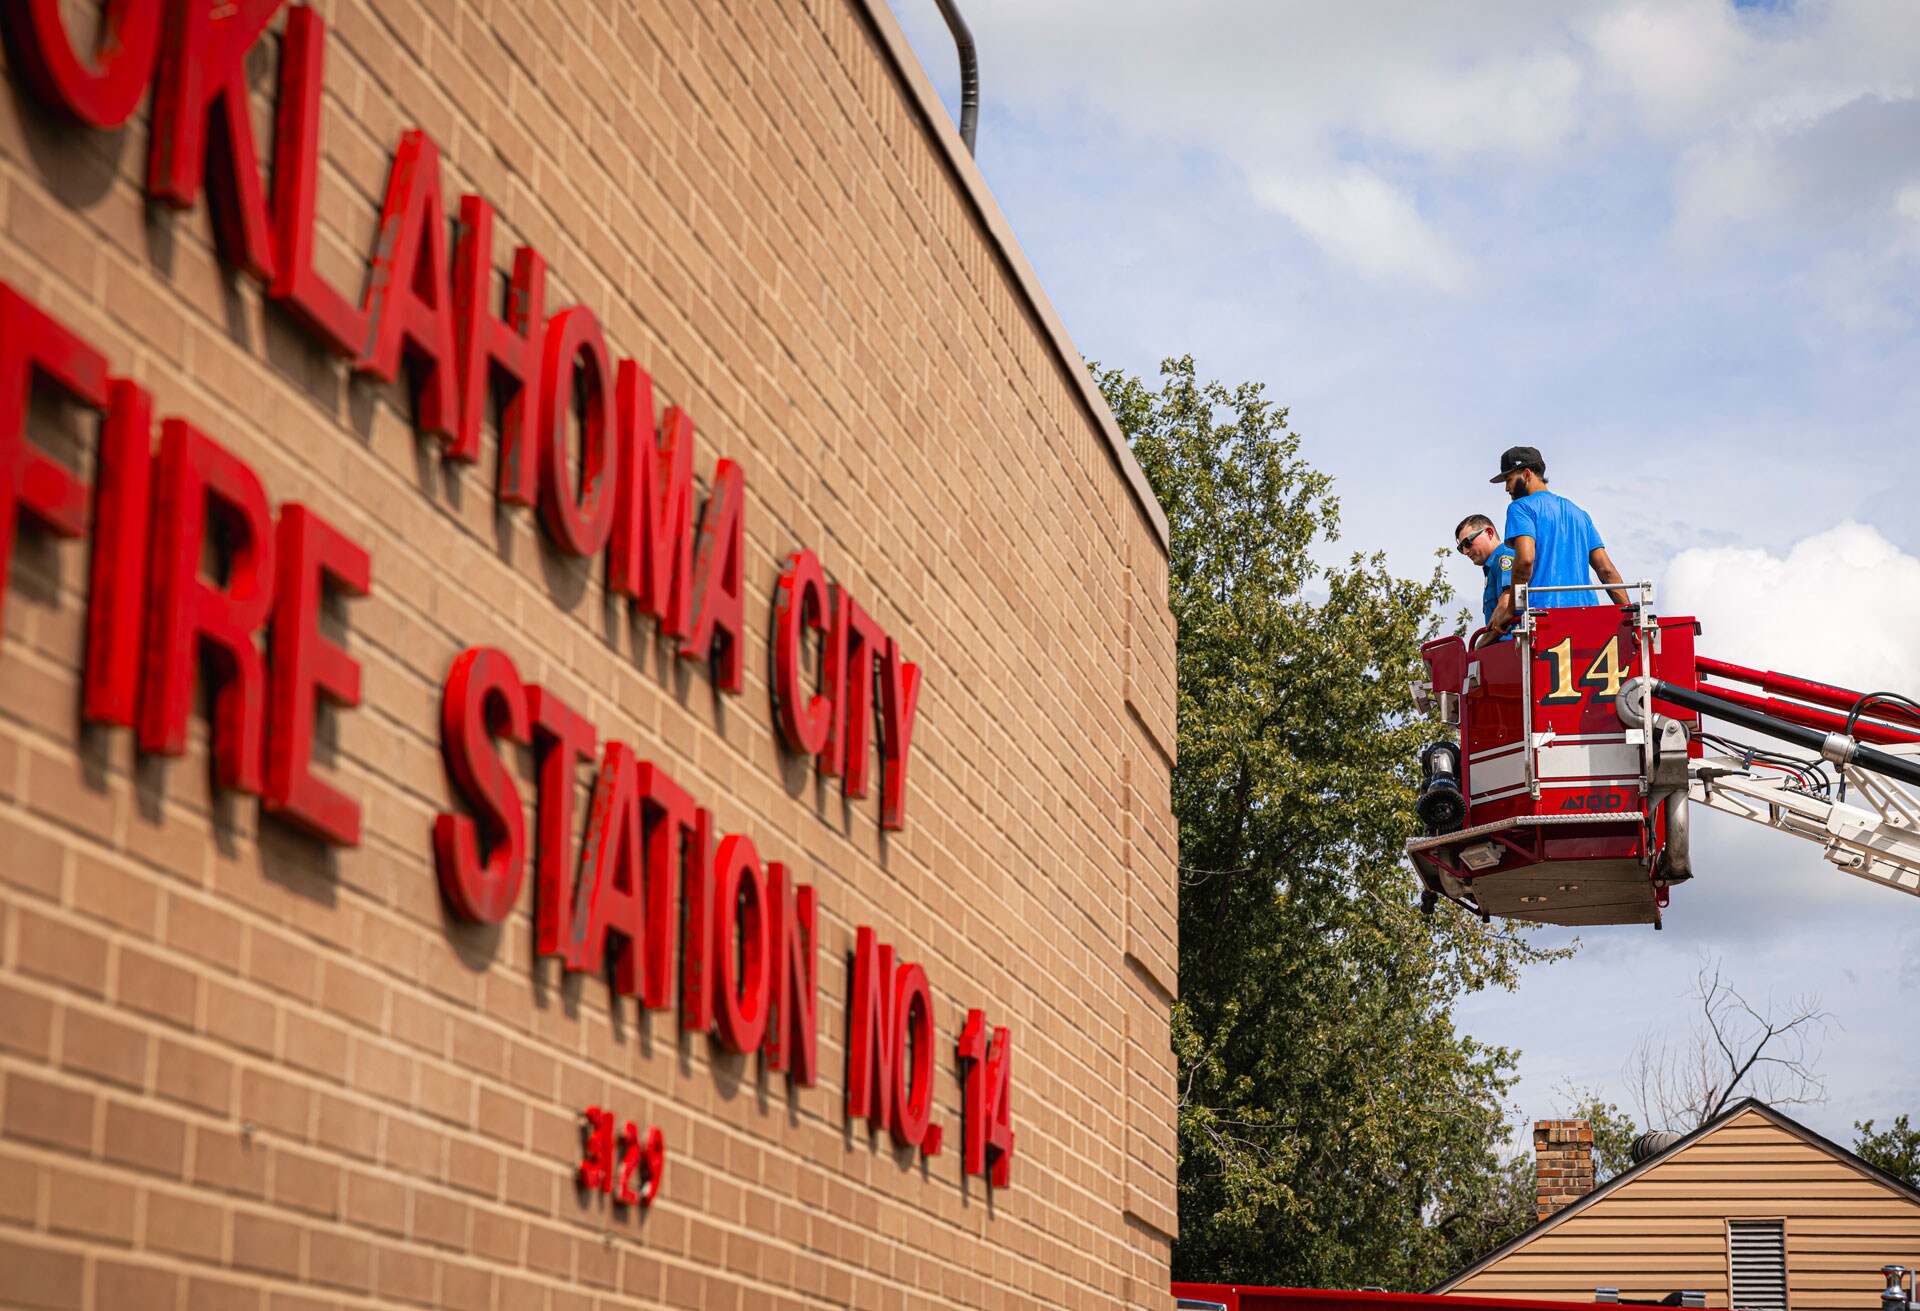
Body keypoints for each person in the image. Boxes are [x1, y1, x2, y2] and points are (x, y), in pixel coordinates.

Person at [1480, 446, 1628, 646]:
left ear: (1527, 474)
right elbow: (1606, 571)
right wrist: (1631, 617)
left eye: (1509, 480)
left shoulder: (1521, 508)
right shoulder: (1580, 514)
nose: (1507, 489)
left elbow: (1524, 560)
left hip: (1544, 622)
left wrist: (1510, 610)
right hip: (1588, 620)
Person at [1453, 512, 1514, 636]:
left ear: (1489, 533)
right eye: (1461, 548)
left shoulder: (1504, 558)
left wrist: (1479, 646)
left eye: (1468, 542)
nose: (1465, 551)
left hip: (1512, 647)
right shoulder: (1491, 567)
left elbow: (1506, 603)